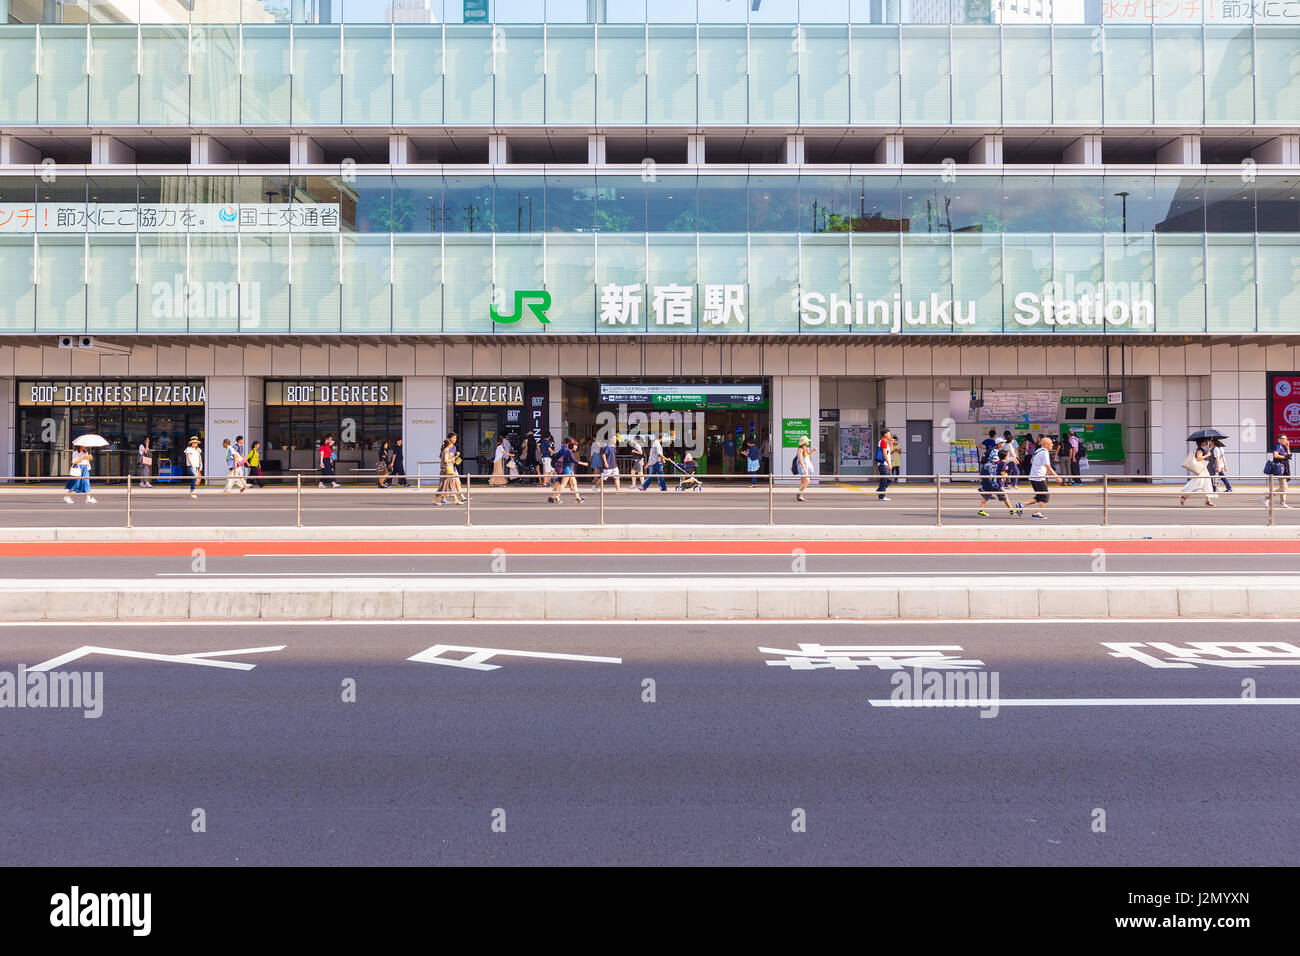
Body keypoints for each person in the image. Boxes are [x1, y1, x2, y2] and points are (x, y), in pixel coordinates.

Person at [1022, 436, 1061, 519]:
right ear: (1046, 444)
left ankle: (1021, 505)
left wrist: (1045, 472)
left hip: (1034, 476)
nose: (1052, 444)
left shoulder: (1038, 451)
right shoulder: (1044, 452)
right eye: (1051, 443)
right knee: (1045, 497)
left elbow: (1032, 461)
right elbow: (1048, 466)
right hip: (1039, 477)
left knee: (1040, 497)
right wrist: (1056, 477)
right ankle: (1036, 513)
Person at [978, 448, 1022, 517]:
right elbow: (1002, 471)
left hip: (988, 484)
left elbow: (982, 474)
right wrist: (1004, 476)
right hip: (997, 484)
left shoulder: (987, 464)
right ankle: (1011, 510)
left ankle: (981, 510)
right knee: (1005, 497)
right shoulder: (1000, 463)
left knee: (986, 497)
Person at [1179, 440, 1216, 507]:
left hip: (1204, 470)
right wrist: (1207, 455)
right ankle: (1183, 496)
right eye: (1205, 441)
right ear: (1202, 442)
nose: (1206, 442)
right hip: (1201, 470)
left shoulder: (1203, 449)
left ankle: (1208, 501)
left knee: (1208, 485)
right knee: (1195, 484)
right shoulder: (1200, 449)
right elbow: (1199, 458)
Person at [550, 438, 585, 504]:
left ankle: (577, 498)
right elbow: (573, 460)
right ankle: (556, 497)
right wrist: (583, 463)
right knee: (563, 484)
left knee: (573, 484)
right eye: (575, 445)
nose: (576, 447)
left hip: (568, 469)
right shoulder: (567, 451)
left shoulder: (566, 450)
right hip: (567, 469)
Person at [1265, 433, 1292, 509]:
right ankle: (1267, 498)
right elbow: (1275, 455)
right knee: (1284, 487)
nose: (1285, 440)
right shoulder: (1277, 445)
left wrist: (1287, 447)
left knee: (1283, 486)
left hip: (1284, 468)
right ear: (1279, 439)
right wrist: (1284, 457)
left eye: (1286, 439)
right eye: (1283, 438)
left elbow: (1289, 456)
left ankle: (1281, 502)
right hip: (1280, 469)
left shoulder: (1282, 447)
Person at [875, 429, 894, 501]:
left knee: (888, 479)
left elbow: (889, 453)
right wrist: (889, 464)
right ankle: (881, 495)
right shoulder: (883, 442)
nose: (890, 435)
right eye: (889, 434)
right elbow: (884, 454)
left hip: (884, 464)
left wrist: (891, 444)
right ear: (885, 434)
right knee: (886, 479)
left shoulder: (884, 442)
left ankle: (880, 489)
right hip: (884, 464)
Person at [795, 436, 814, 501]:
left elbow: (808, 457)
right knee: (807, 480)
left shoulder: (805, 448)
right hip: (801, 467)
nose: (808, 442)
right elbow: (800, 459)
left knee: (803, 481)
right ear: (805, 442)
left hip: (804, 466)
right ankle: (799, 493)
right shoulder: (800, 449)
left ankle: (800, 496)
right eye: (807, 441)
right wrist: (804, 468)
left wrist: (812, 451)